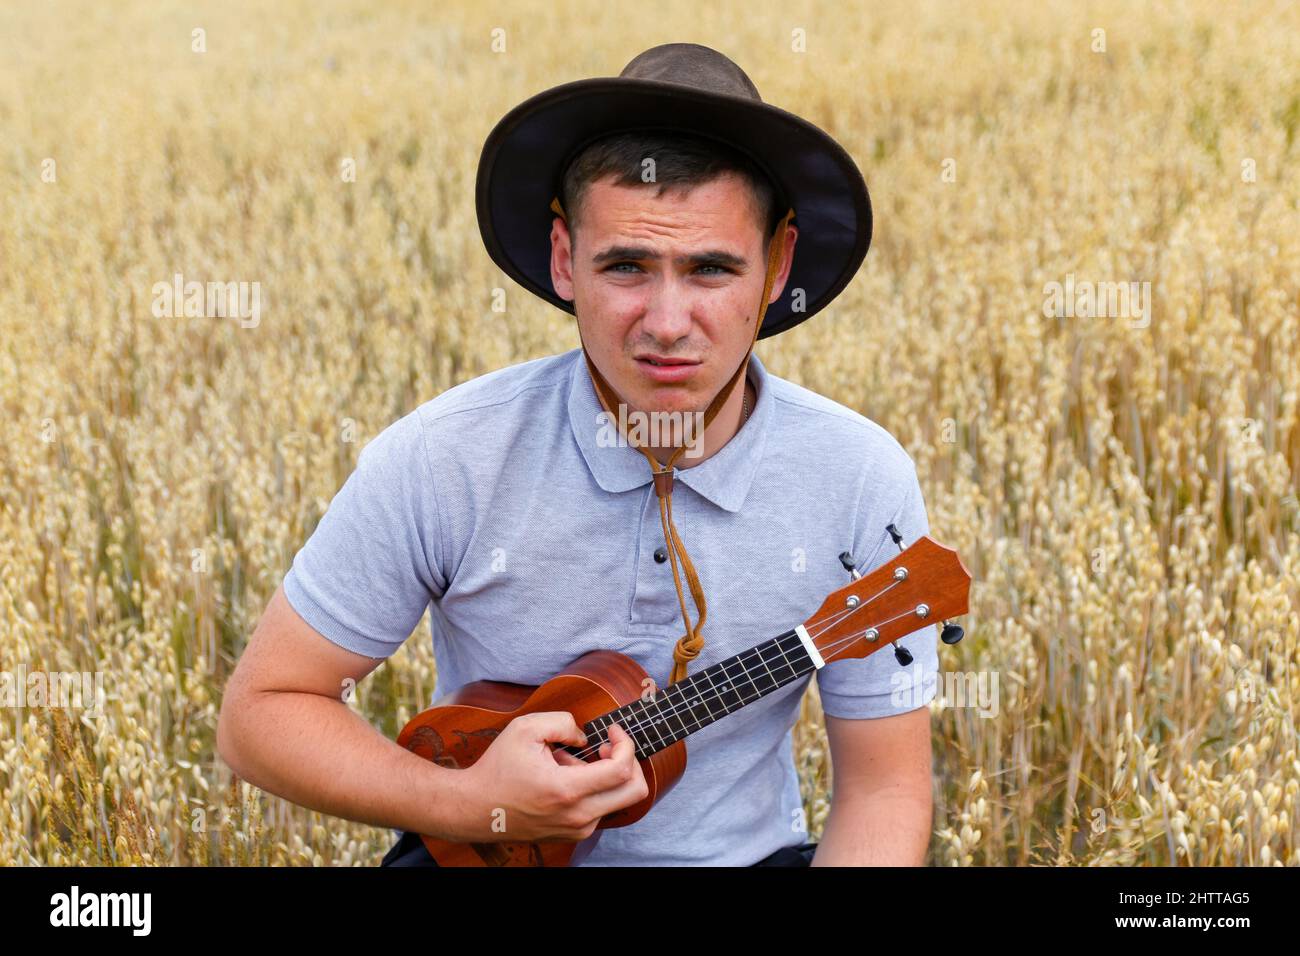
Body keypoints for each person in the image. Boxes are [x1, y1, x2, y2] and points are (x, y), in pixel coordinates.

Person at [217, 42, 938, 867]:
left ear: (777, 265)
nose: (667, 323)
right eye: (626, 265)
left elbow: (884, 792)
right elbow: (259, 715)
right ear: (565, 258)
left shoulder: (858, 476)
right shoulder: (446, 455)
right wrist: (469, 802)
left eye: (711, 269)